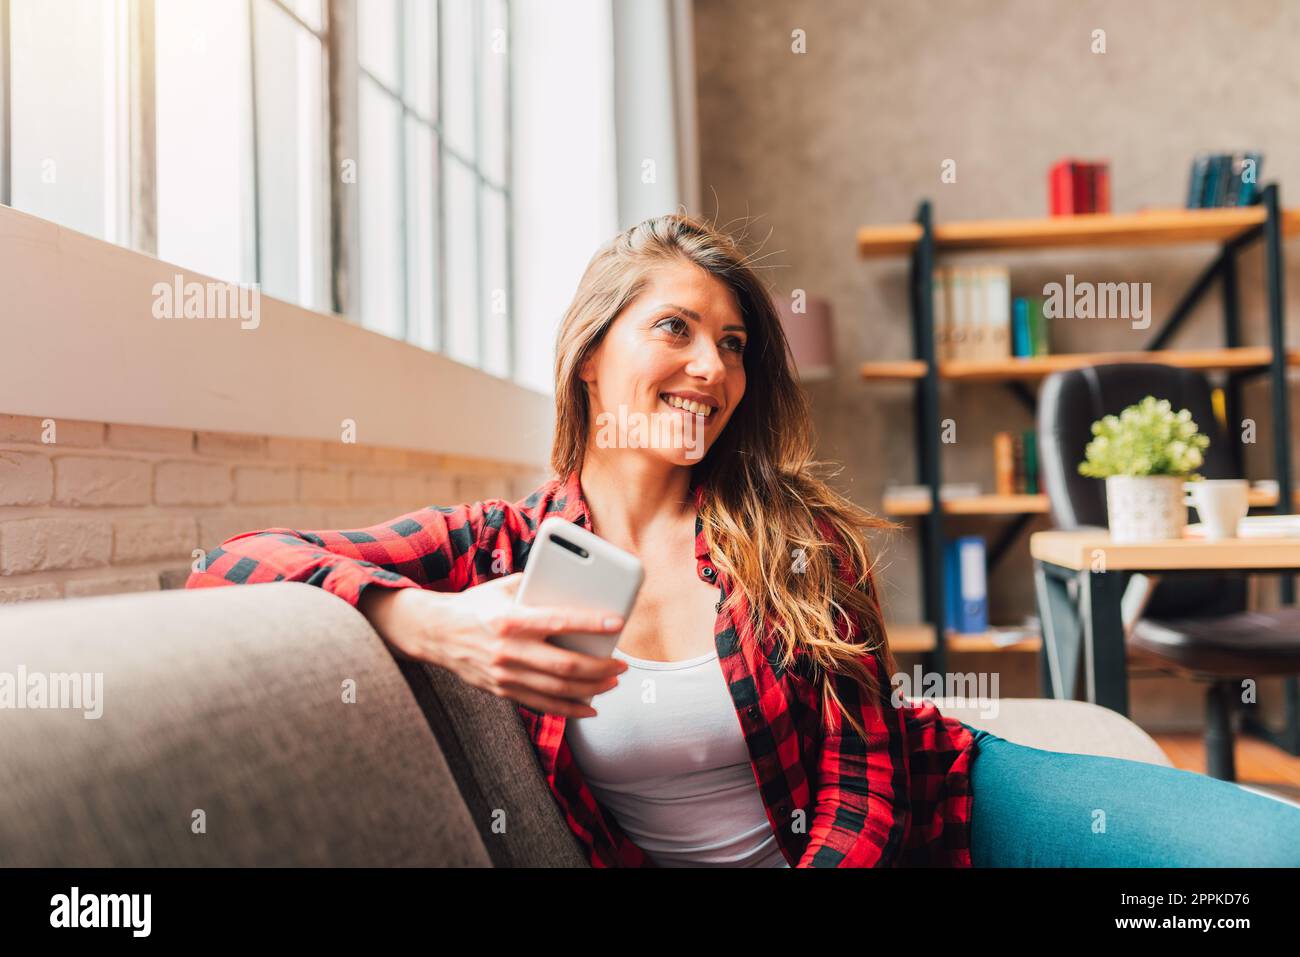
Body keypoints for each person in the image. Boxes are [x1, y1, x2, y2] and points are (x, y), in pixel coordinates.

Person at [187, 212, 1300, 867]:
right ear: (591, 355)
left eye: (732, 343)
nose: (712, 368)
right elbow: (224, 565)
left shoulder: (793, 535)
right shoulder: (499, 549)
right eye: (675, 328)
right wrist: (427, 622)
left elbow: (865, 784)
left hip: (950, 805)